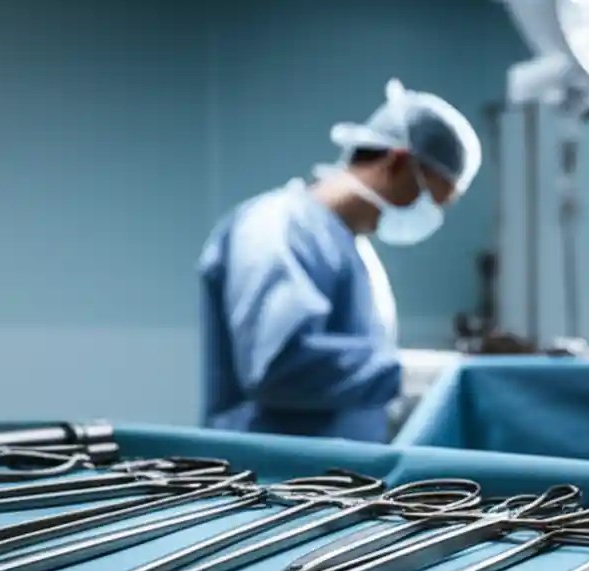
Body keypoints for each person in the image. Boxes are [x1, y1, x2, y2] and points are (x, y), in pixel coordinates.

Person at [198, 80, 481, 442]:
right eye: (425, 196)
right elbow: (279, 366)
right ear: (396, 163)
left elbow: (352, 393)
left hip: (331, 482)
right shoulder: (278, 226)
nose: (425, 214)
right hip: (270, 479)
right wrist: (421, 373)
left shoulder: (354, 248)